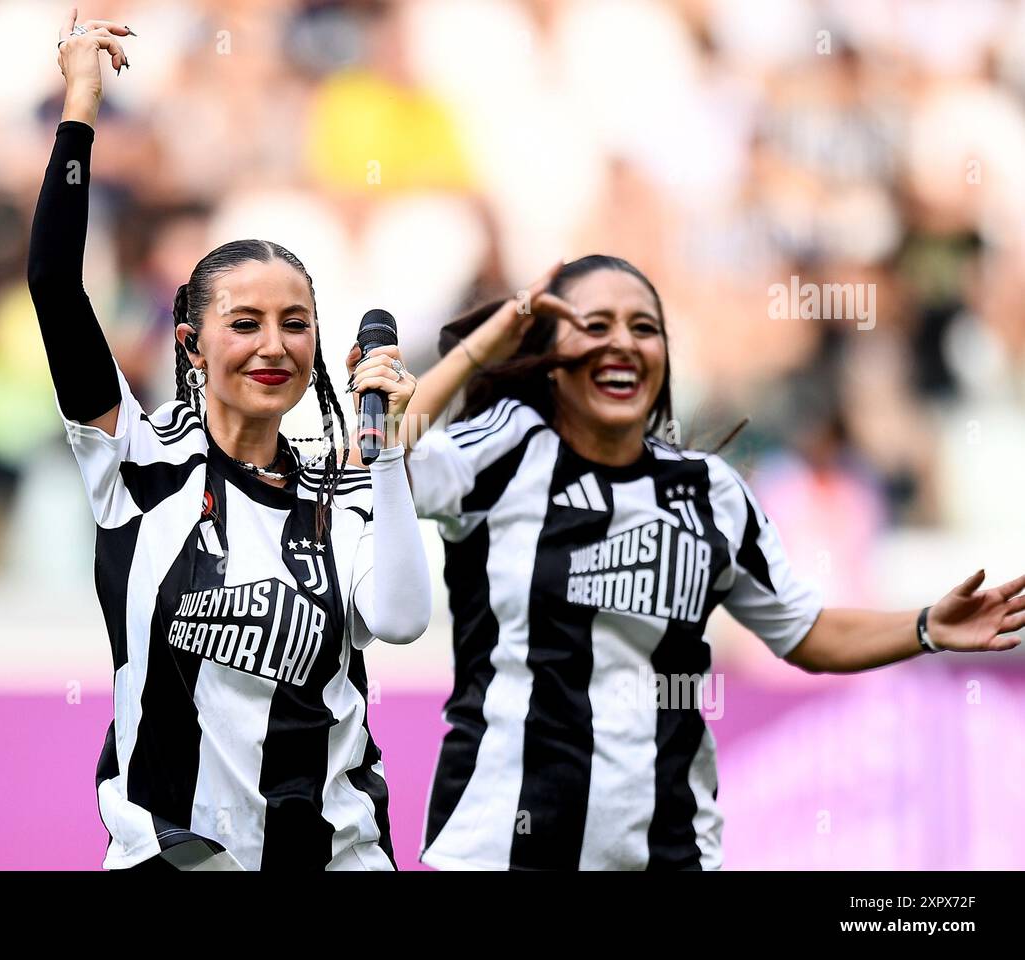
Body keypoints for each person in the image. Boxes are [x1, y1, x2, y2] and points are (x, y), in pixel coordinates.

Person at [397, 254, 1025, 871]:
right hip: (504, 850)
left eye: (644, 328)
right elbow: (375, 460)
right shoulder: (503, 449)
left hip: (668, 850)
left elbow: (803, 631)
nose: (623, 343)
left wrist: (926, 628)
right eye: (596, 326)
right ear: (552, 363)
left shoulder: (710, 490)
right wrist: (487, 343)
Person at [27, 10, 431, 871]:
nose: (273, 345)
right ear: (191, 343)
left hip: (335, 855)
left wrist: (387, 455)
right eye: (244, 323)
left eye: (296, 324)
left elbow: (399, 617)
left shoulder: (338, 489)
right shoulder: (135, 462)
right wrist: (80, 108)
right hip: (175, 857)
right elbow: (55, 286)